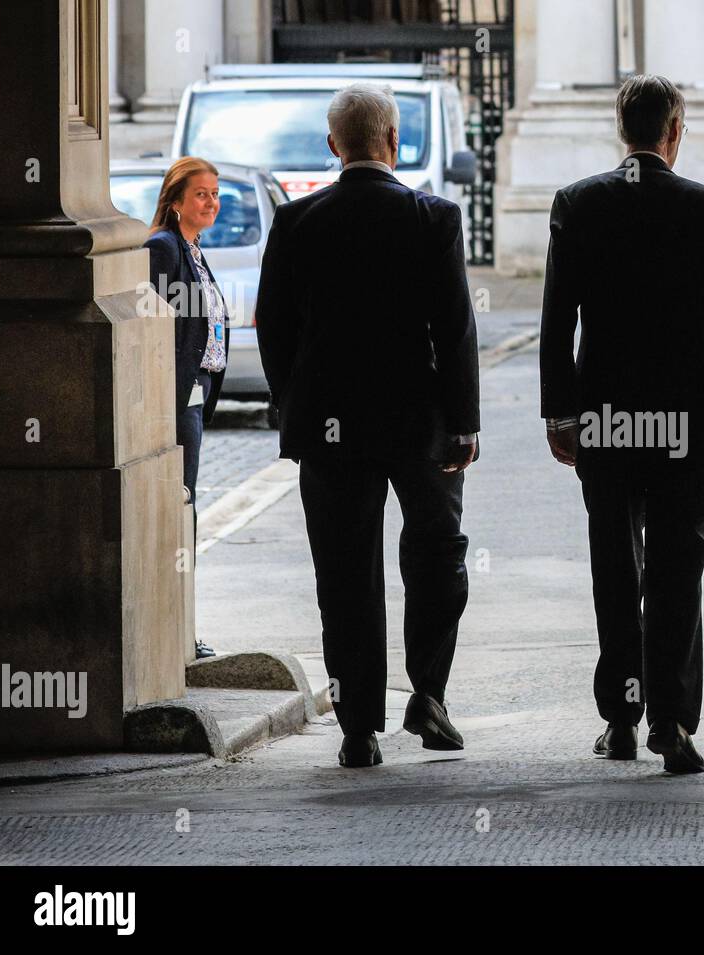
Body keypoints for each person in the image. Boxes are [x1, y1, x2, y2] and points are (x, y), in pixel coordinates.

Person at [540, 74, 704, 774]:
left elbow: (556, 322)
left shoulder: (577, 204)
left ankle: (621, 718)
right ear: (675, 130)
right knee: (677, 567)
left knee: (615, 564)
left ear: (621, 127)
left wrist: (560, 411)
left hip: (605, 413)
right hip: (686, 417)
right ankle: (671, 719)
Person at [255, 83, 480, 769]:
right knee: (437, 556)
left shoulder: (297, 223)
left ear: (334, 146)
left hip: (330, 426)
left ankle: (359, 728)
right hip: (420, 422)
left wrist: (292, 401)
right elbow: (456, 326)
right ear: (393, 141)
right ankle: (429, 694)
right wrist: (464, 422)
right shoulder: (434, 217)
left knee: (346, 572)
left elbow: (275, 328)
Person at [145, 156, 230, 660]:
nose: (211, 202)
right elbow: (155, 330)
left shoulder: (194, 249)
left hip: (195, 396)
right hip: (177, 399)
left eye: (215, 193)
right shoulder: (163, 248)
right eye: (201, 194)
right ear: (175, 200)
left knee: (187, 510)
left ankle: (184, 624)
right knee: (180, 510)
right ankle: (179, 629)